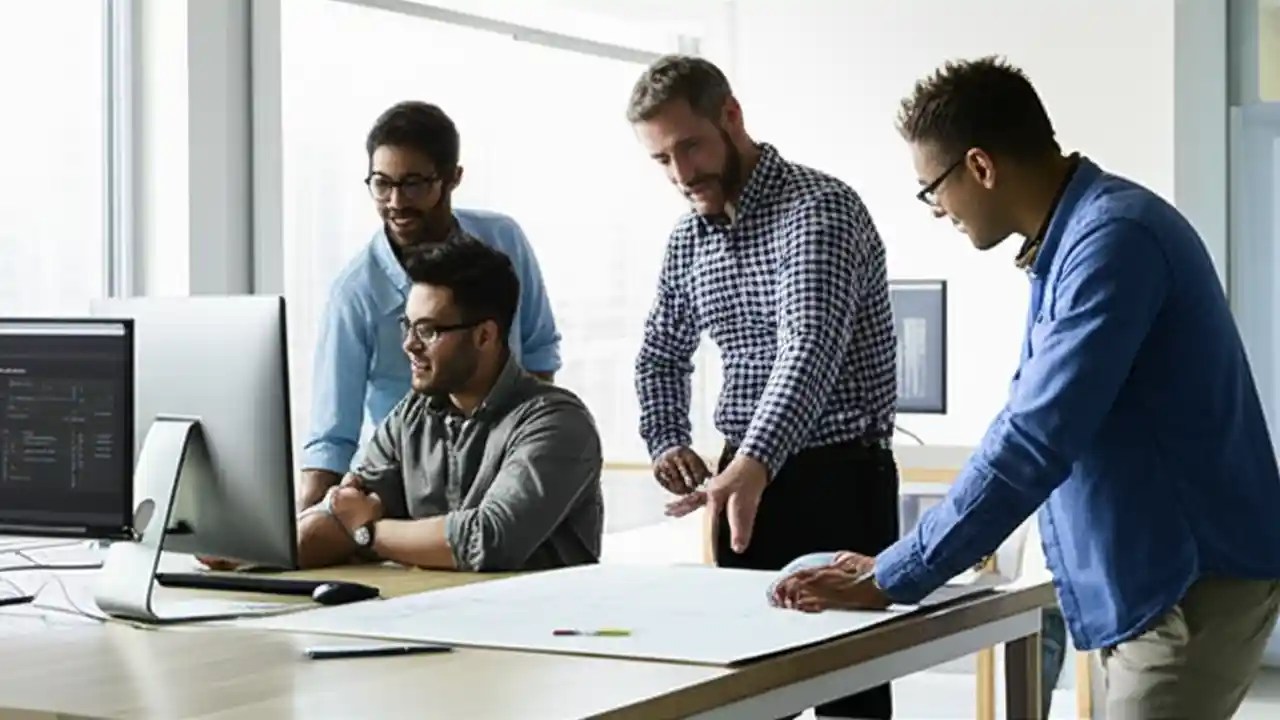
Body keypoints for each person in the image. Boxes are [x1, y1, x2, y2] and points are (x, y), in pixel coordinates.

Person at [772, 56, 1280, 720]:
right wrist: (899, 562)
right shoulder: (1074, 242)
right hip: (1151, 585)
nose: (937, 211)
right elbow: (1033, 425)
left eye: (932, 190)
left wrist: (895, 574)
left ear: (980, 166)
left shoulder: (1113, 240)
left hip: (1187, 586)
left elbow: (1035, 437)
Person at [628, 55, 900, 720]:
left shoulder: (819, 209)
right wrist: (668, 440)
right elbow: (660, 354)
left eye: (689, 146)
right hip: (741, 481)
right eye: (662, 159)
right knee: (748, 691)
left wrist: (752, 463)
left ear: (731, 116)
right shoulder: (688, 240)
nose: (681, 174)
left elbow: (807, 349)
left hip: (839, 481)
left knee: (849, 694)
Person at [299, 101, 562, 510]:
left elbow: (540, 352)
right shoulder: (354, 294)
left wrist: (530, 445)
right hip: (409, 490)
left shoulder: (503, 242)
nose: (396, 202)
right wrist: (291, 537)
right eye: (382, 184)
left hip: (507, 469)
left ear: (453, 178)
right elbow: (331, 442)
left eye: (415, 184)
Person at [292, 239, 602, 572]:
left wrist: (366, 531)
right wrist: (249, 557)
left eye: (427, 330)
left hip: (534, 619)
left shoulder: (556, 423)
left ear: (485, 336)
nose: (410, 344)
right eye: (407, 326)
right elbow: (343, 512)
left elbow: (488, 541)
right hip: (428, 612)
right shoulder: (411, 416)